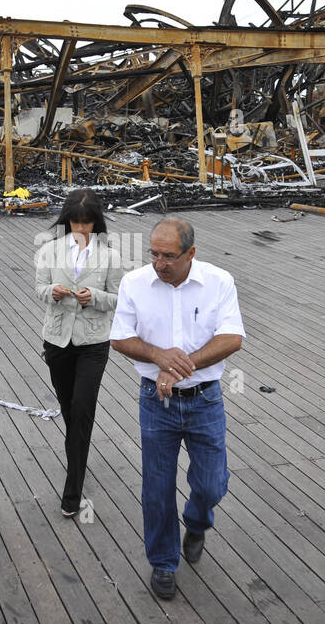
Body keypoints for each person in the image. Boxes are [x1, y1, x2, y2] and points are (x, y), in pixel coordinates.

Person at [109, 217, 244, 600]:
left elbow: (232, 337)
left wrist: (183, 365)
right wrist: (158, 356)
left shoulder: (219, 281)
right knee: (157, 487)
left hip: (205, 399)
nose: (159, 263)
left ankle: (197, 521)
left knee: (212, 483)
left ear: (191, 254)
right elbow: (119, 338)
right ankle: (164, 562)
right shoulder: (134, 283)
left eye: (168, 256)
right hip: (156, 402)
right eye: (154, 253)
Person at [35, 189, 123, 517]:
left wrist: (94, 297)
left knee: (82, 409)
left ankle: (72, 490)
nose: (81, 228)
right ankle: (77, 456)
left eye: (87, 222)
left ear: (95, 222)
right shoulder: (50, 250)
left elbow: (117, 298)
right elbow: (39, 288)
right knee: (69, 411)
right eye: (76, 222)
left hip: (93, 343)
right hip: (57, 341)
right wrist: (53, 292)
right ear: (67, 220)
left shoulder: (110, 256)